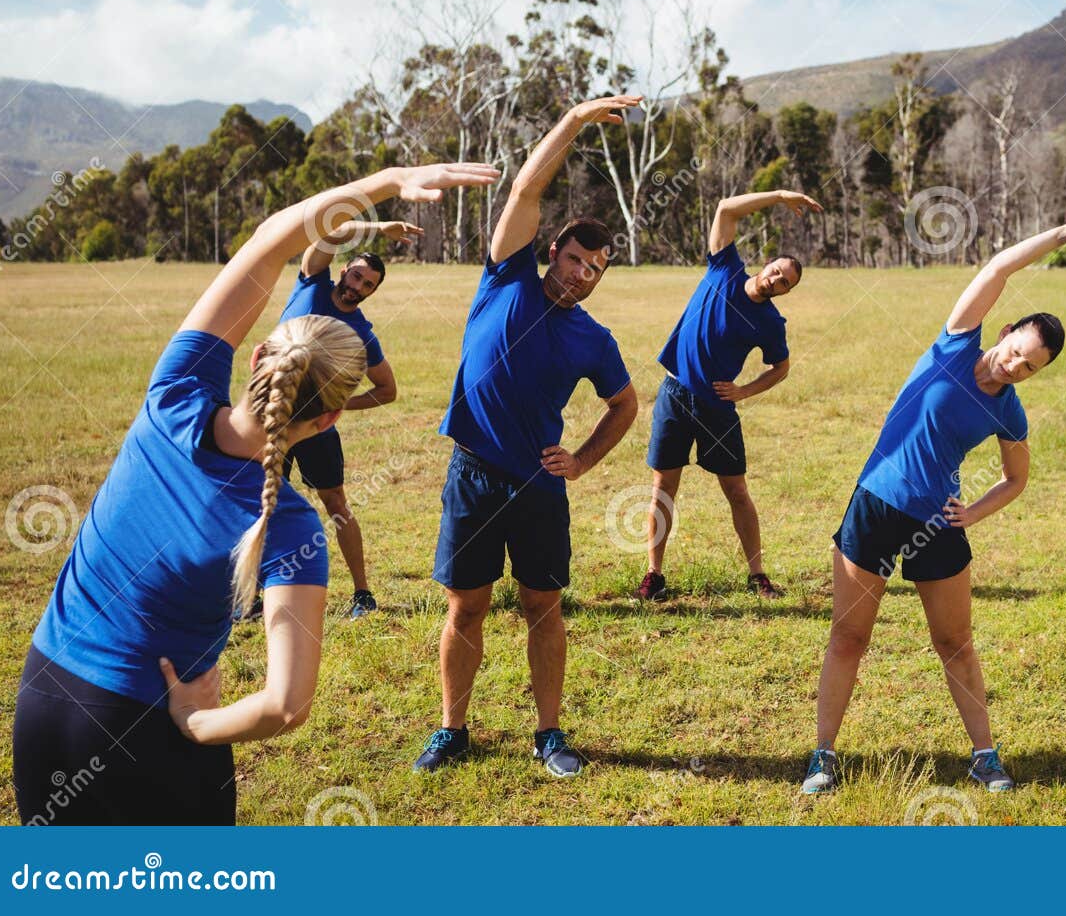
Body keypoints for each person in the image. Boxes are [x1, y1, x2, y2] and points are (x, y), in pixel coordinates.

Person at [12, 163, 499, 825]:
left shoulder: (173, 393)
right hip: (148, 725)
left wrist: (388, 178)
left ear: (254, 358)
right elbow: (286, 706)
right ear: (329, 419)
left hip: (43, 694)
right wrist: (197, 722)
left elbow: (271, 238)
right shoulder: (291, 528)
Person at [801, 218, 1066, 796]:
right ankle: (823, 756)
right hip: (876, 503)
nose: (1014, 368)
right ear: (1003, 333)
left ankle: (984, 756)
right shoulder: (955, 342)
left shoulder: (1011, 411)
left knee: (955, 643)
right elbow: (998, 268)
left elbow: (1016, 478)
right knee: (849, 637)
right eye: (1016, 353)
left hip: (936, 523)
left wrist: (972, 513)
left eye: (1030, 368)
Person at [414, 96, 643, 777]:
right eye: (575, 259)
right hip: (474, 474)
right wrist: (574, 120)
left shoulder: (593, 339)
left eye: (595, 269)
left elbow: (626, 406)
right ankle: (452, 730)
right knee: (468, 607)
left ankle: (549, 733)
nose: (582, 274)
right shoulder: (505, 276)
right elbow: (526, 188)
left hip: (540, 487)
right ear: (552, 253)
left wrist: (581, 460)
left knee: (543, 608)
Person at [637, 189, 820, 601]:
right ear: (768, 264)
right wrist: (779, 196)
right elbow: (724, 208)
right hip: (675, 395)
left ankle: (757, 574)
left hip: (718, 408)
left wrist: (743, 391)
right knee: (663, 489)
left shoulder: (770, 323)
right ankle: (654, 574)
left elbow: (782, 367)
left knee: (737, 491)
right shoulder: (724, 269)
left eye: (785, 283)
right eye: (777, 271)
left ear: (786, 292)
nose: (777, 280)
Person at [276, 219, 423, 619]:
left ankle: (362, 593)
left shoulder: (361, 333)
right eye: (356, 275)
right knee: (258, 501)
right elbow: (326, 234)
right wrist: (377, 228)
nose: (357, 287)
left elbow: (388, 390)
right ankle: (250, 593)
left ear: (372, 292)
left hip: (315, 425)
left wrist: (336, 405)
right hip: (271, 416)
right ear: (344, 270)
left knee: (336, 504)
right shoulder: (311, 282)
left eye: (367, 285)